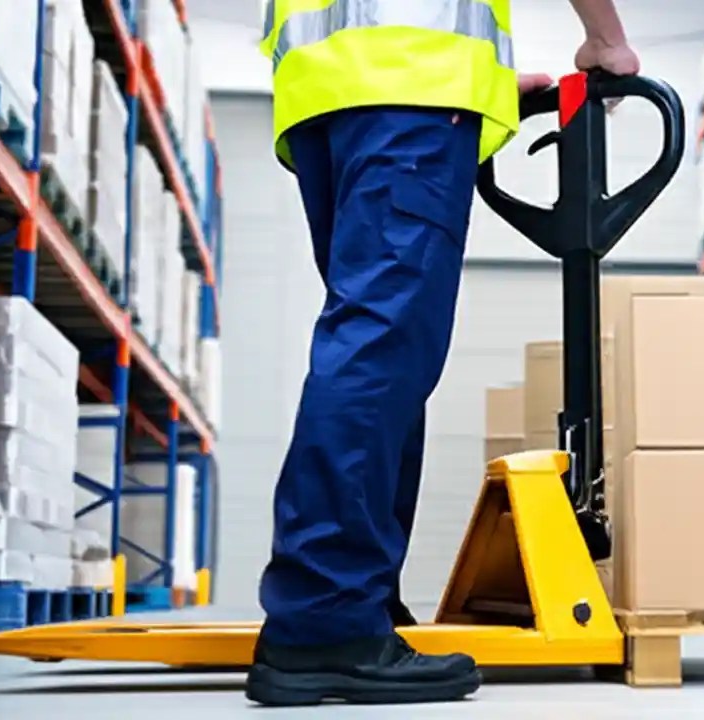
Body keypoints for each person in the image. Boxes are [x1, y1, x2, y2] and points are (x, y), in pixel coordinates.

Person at [245, 0, 640, 708]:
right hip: (412, 90)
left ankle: (356, 606)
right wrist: (606, 40)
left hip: (326, 97)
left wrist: (483, 85)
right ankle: (323, 619)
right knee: (381, 345)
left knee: (377, 346)